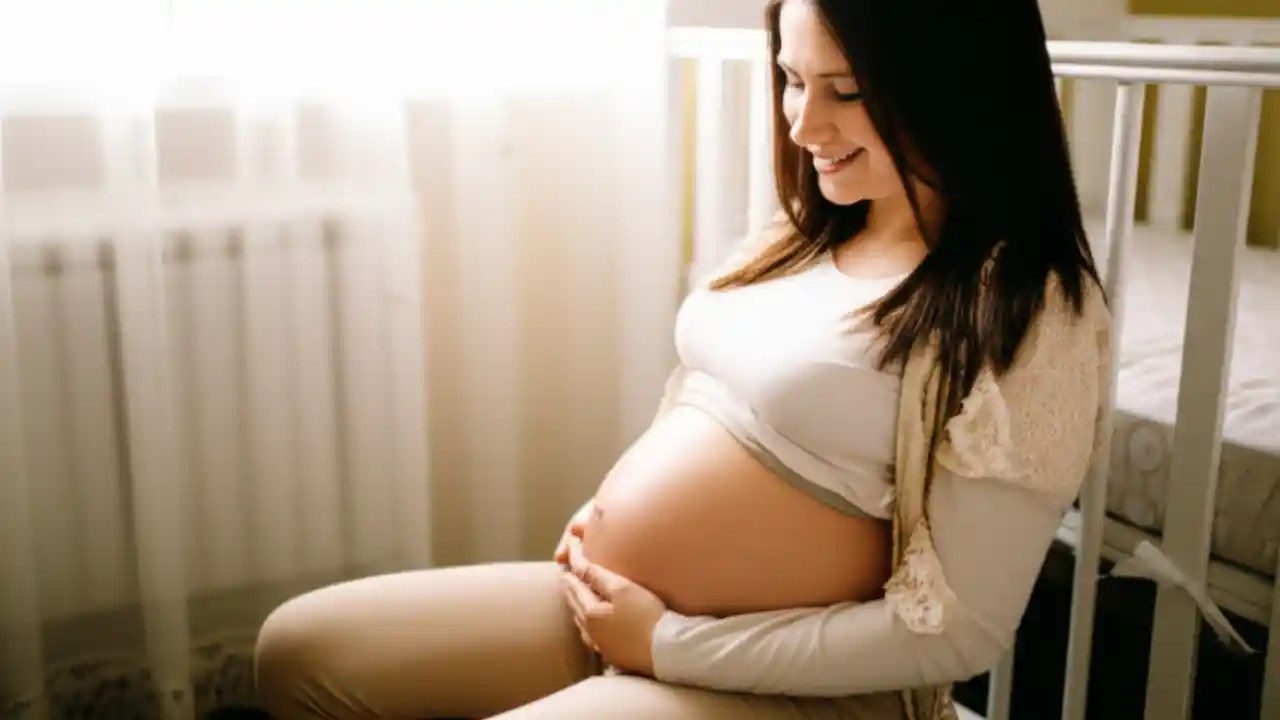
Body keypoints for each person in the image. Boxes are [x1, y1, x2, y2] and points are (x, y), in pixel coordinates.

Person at [253, 0, 1112, 717]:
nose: (803, 123)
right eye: (790, 79)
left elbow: (958, 630)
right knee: (300, 653)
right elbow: (711, 403)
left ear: (954, 86)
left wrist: (669, 643)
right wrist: (612, 518)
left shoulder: (1030, 310)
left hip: (803, 686)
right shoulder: (810, 232)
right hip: (626, 613)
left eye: (844, 92)